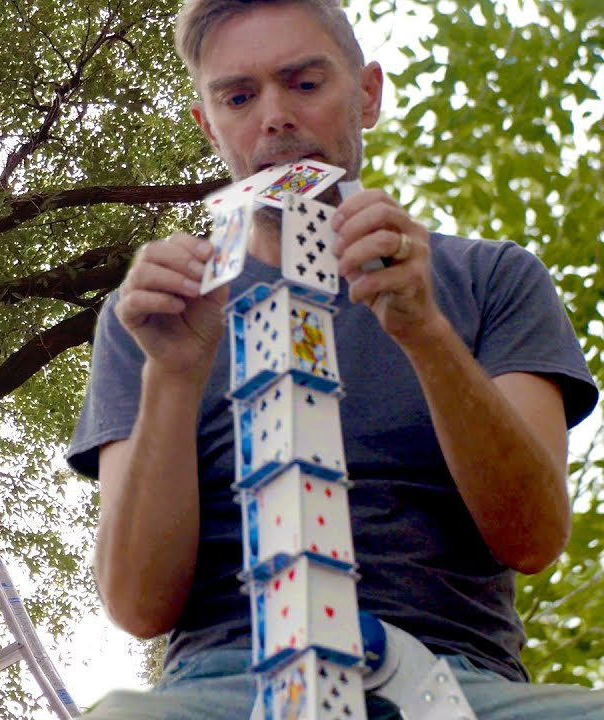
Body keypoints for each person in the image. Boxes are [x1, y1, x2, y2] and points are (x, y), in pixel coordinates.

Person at [66, 1, 602, 718]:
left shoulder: (492, 278)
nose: (275, 117)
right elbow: (138, 606)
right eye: (239, 97)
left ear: (368, 94)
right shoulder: (154, 314)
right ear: (209, 125)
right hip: (223, 685)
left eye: (305, 84)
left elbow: (533, 538)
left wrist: (427, 334)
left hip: (460, 679)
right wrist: (171, 374)